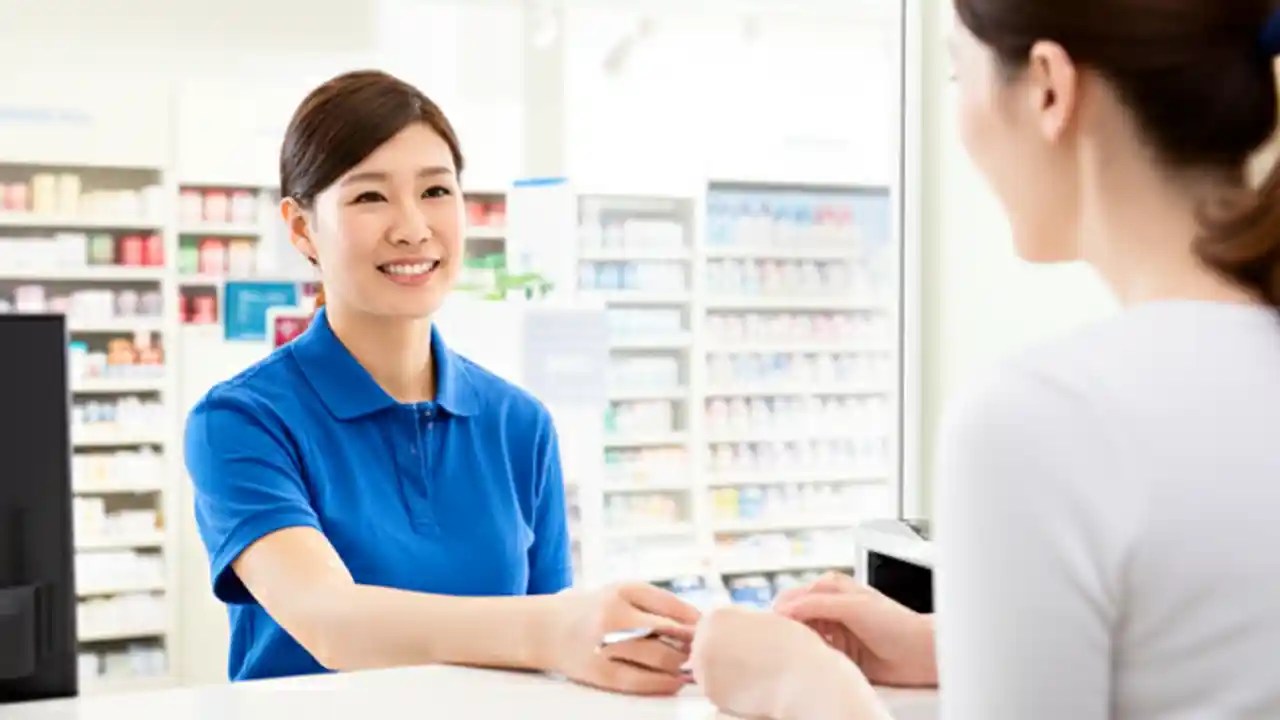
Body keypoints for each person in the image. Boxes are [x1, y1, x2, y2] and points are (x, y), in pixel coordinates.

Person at [690, 1, 1280, 718]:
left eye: (954, 72)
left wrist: (803, 690)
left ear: (1048, 88)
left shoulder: (1041, 421)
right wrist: (953, 641)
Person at [184, 69, 699, 695]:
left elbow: (551, 666)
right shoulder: (242, 421)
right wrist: (555, 629)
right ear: (301, 229)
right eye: (369, 197)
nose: (412, 227)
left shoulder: (519, 424)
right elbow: (329, 621)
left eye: (435, 191)